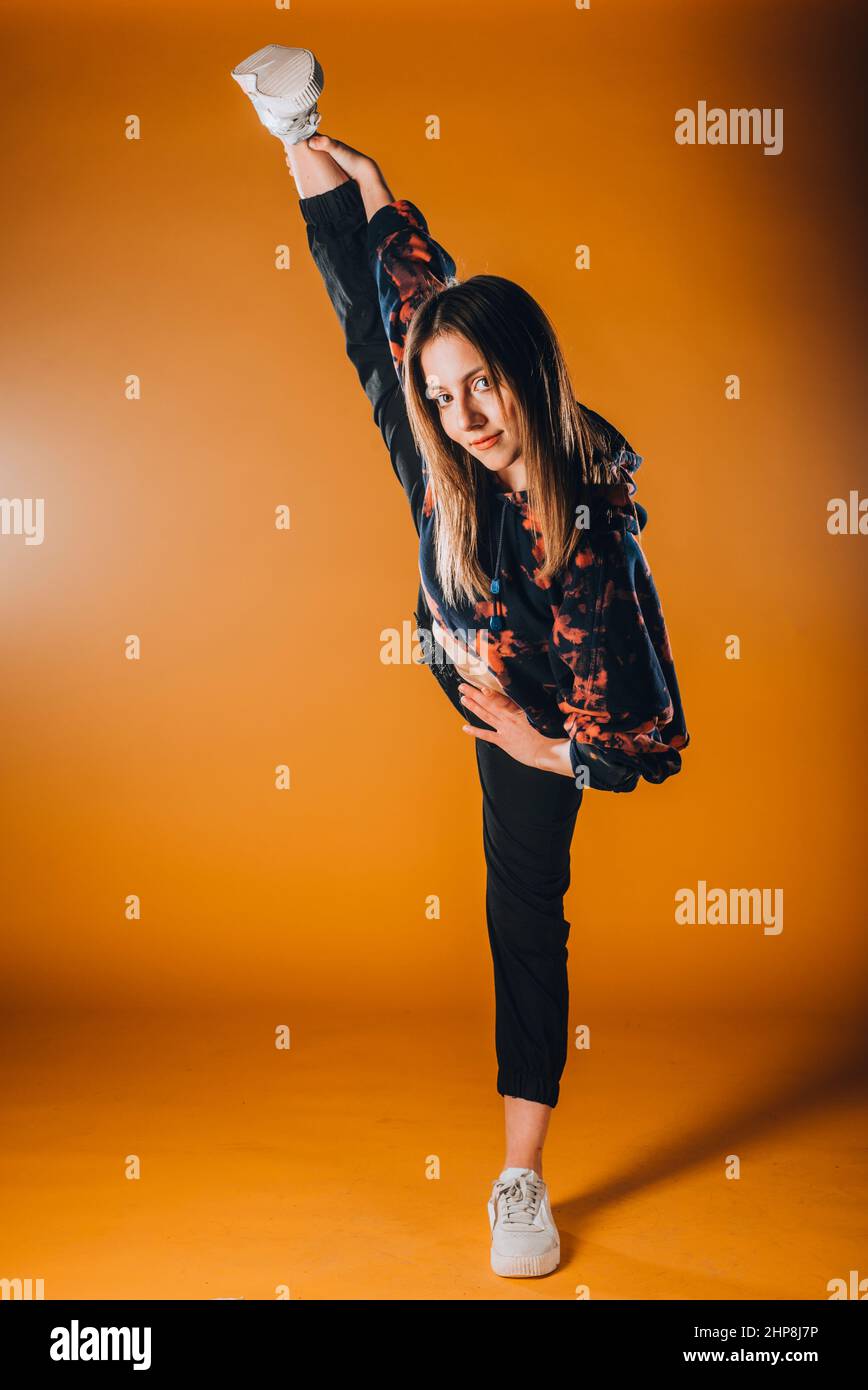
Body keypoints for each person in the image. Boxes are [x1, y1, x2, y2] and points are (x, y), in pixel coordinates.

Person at [232, 44, 690, 1278]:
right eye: (450, 396)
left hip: (523, 702)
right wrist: (357, 173)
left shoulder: (586, 546)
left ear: (529, 379)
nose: (469, 414)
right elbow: (404, 289)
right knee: (379, 322)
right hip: (463, 589)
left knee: (520, 906)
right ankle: (298, 125)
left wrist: (553, 747)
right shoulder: (436, 445)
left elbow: (649, 733)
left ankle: (519, 1179)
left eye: (484, 387)